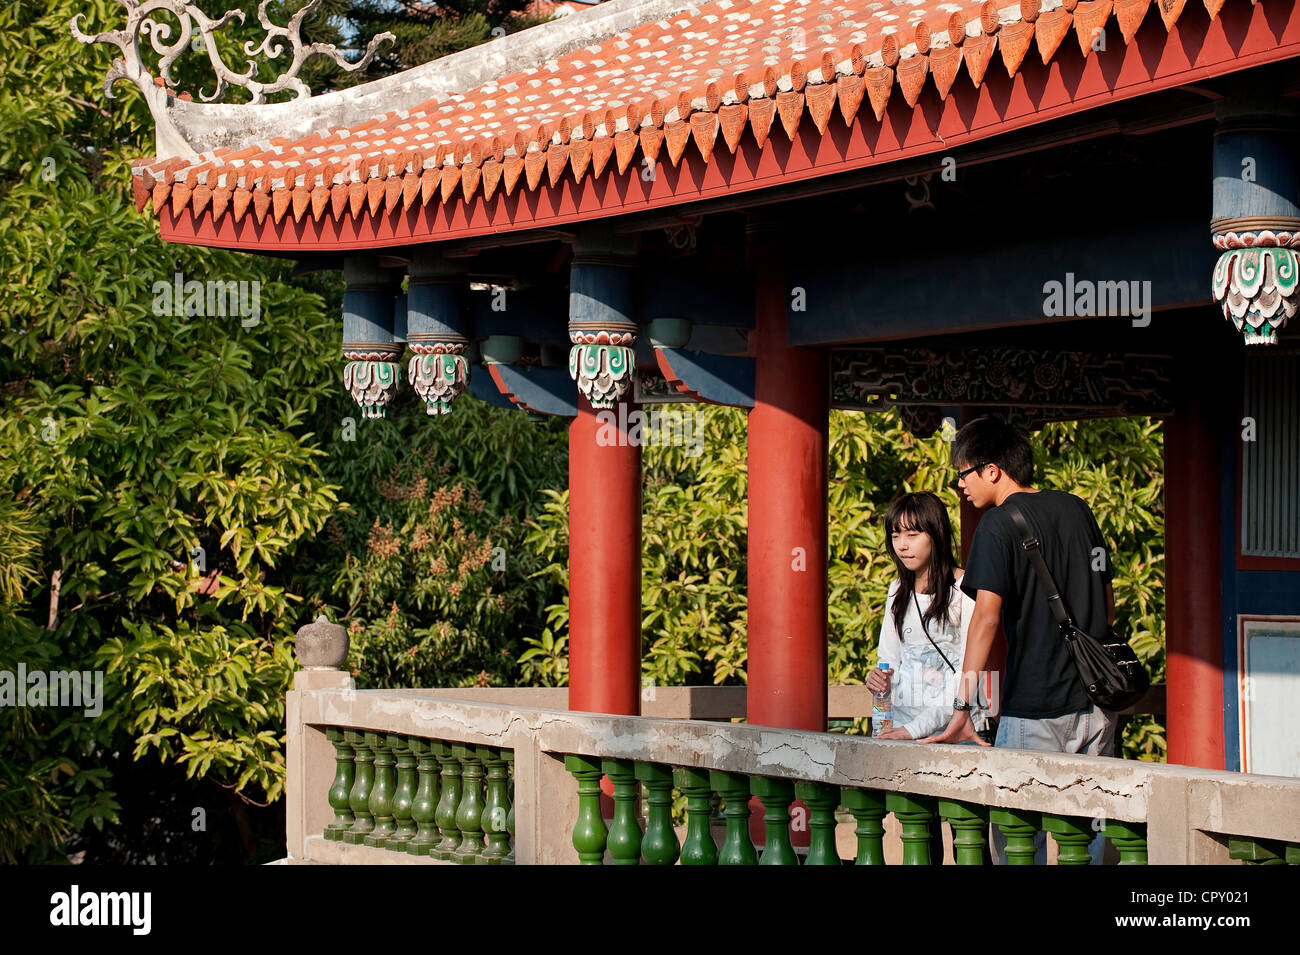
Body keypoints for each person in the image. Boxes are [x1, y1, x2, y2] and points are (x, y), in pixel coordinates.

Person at [919, 415, 1117, 863]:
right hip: (1098, 704)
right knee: (1084, 840)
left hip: (1036, 709)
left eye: (963, 474)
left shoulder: (996, 525)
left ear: (992, 470)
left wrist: (963, 706)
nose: (961, 487)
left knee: (1019, 842)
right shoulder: (1077, 508)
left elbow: (986, 619)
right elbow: (1106, 599)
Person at [868, 491, 988, 743]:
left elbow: (968, 672)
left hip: (955, 732)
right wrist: (879, 680)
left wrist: (914, 729)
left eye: (912, 535)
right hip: (901, 732)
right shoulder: (897, 590)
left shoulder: (967, 588)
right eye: (895, 535)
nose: (902, 545)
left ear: (936, 535)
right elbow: (889, 661)